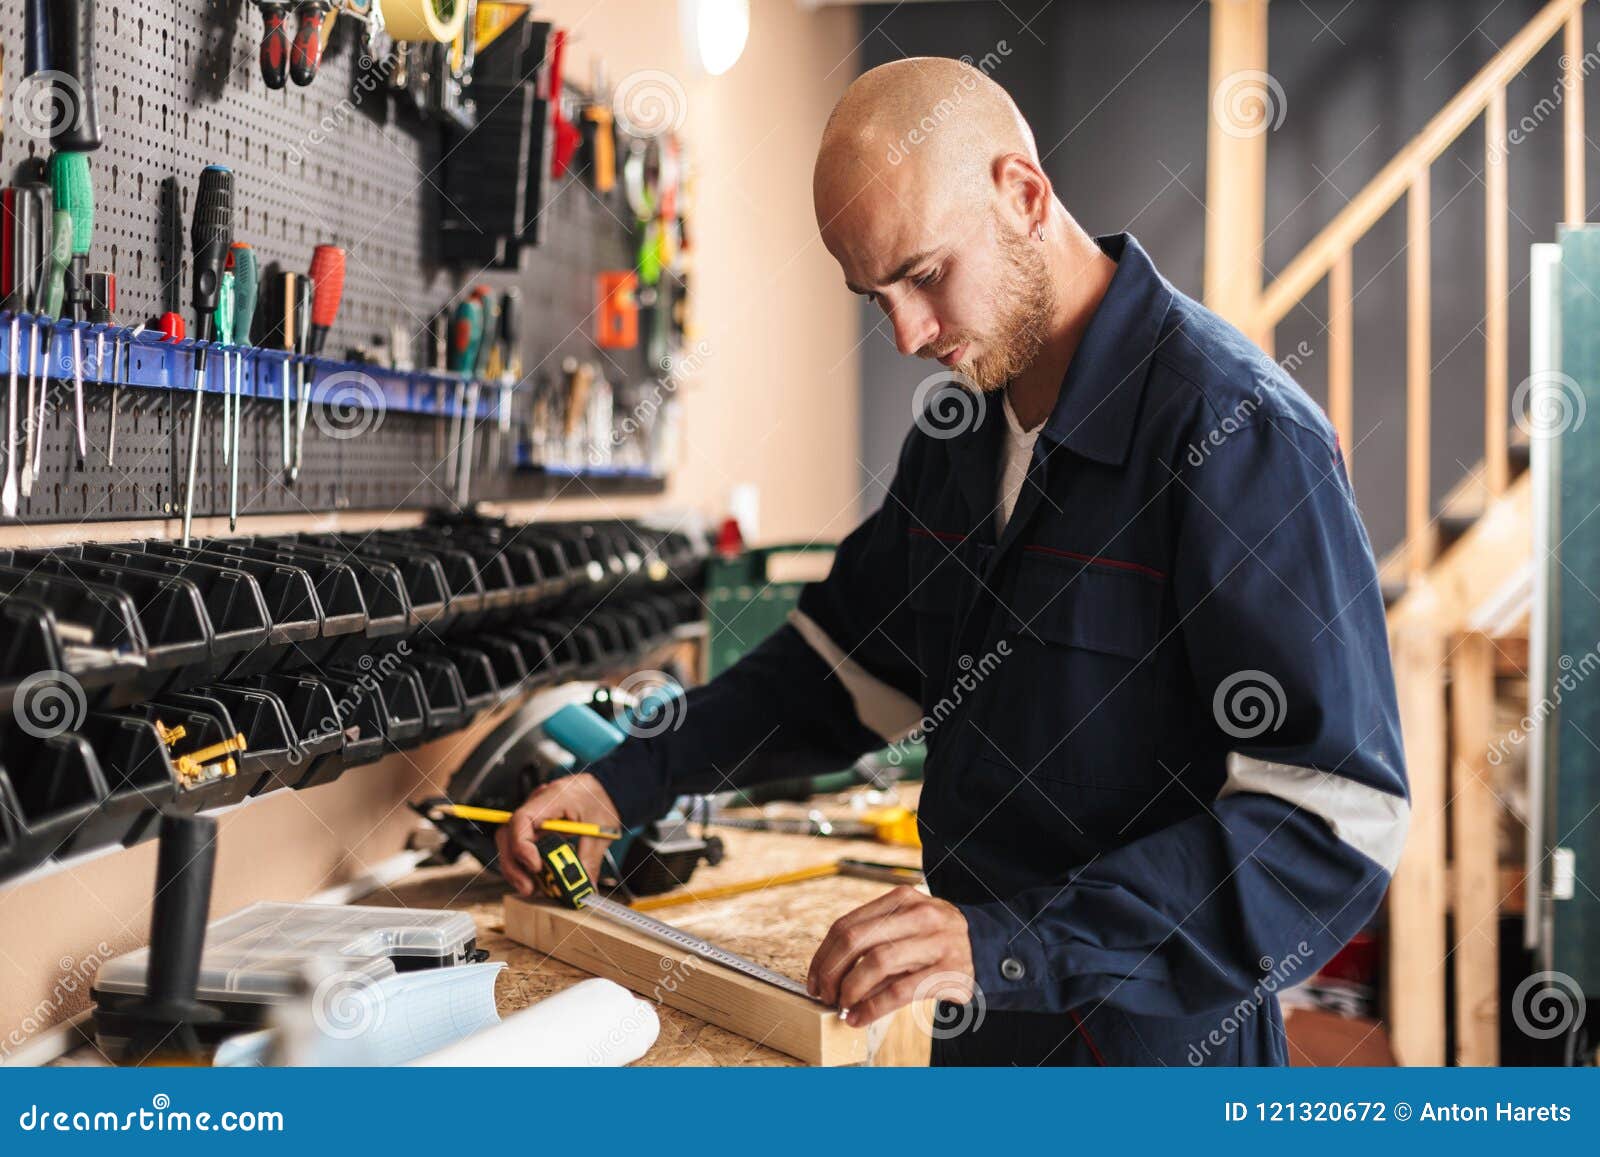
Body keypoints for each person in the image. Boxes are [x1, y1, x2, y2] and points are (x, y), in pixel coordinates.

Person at [496, 57, 1409, 1066]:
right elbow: (844, 668)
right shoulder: (960, 429)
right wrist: (627, 782)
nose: (906, 332)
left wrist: (1009, 943)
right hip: (982, 1028)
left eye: (923, 274)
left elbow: (1332, 823)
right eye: (872, 294)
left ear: (1021, 193)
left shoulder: (1230, 431)